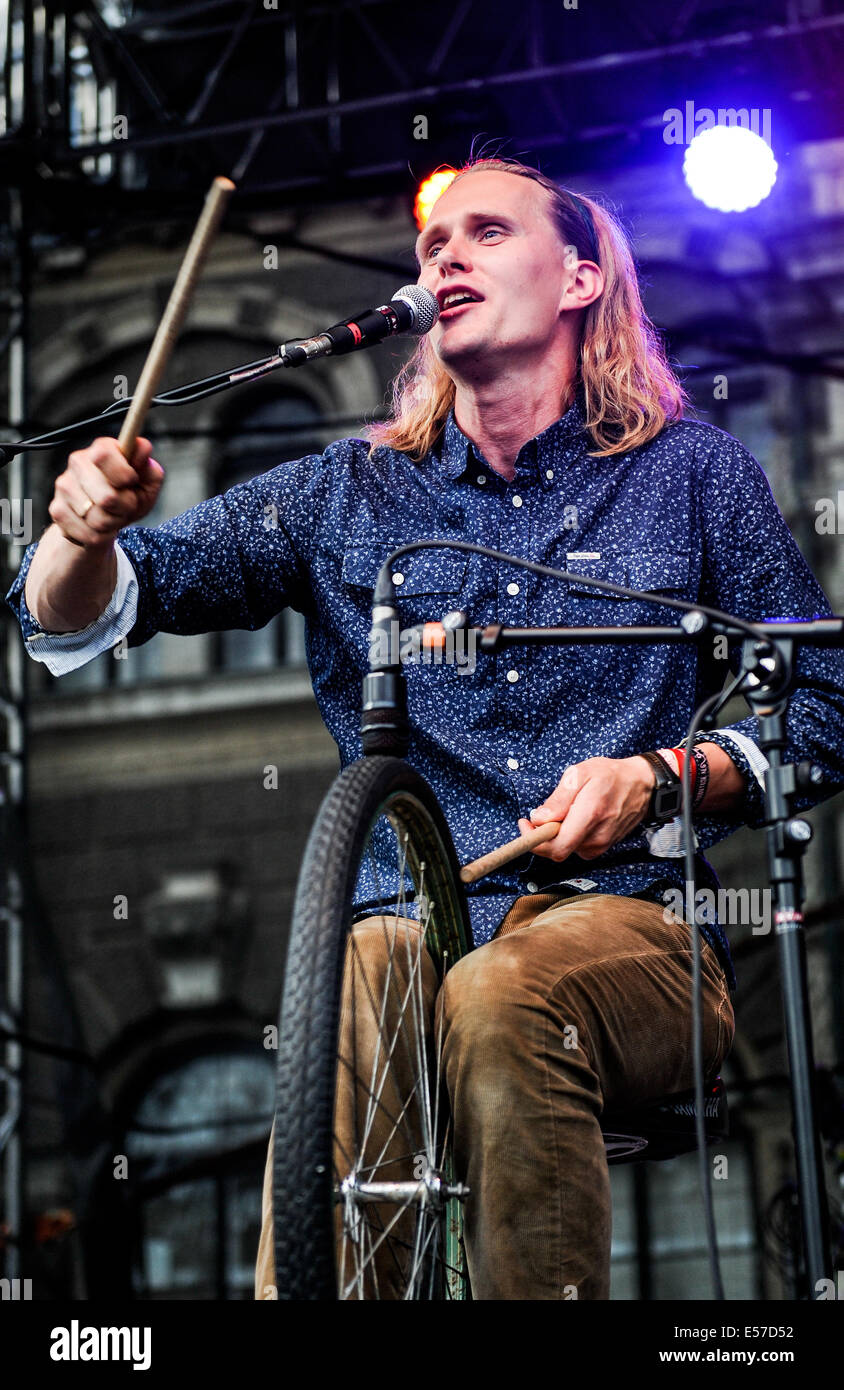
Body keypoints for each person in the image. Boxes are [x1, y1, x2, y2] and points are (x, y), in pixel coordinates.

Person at [7, 157, 844, 1300]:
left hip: (636, 936)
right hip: (406, 942)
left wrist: (669, 773)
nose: (443, 255)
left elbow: (827, 703)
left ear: (580, 280)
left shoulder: (694, 476)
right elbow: (88, 605)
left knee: (501, 989)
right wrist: (79, 531)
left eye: (485, 233)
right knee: (372, 959)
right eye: (431, 245)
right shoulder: (343, 492)